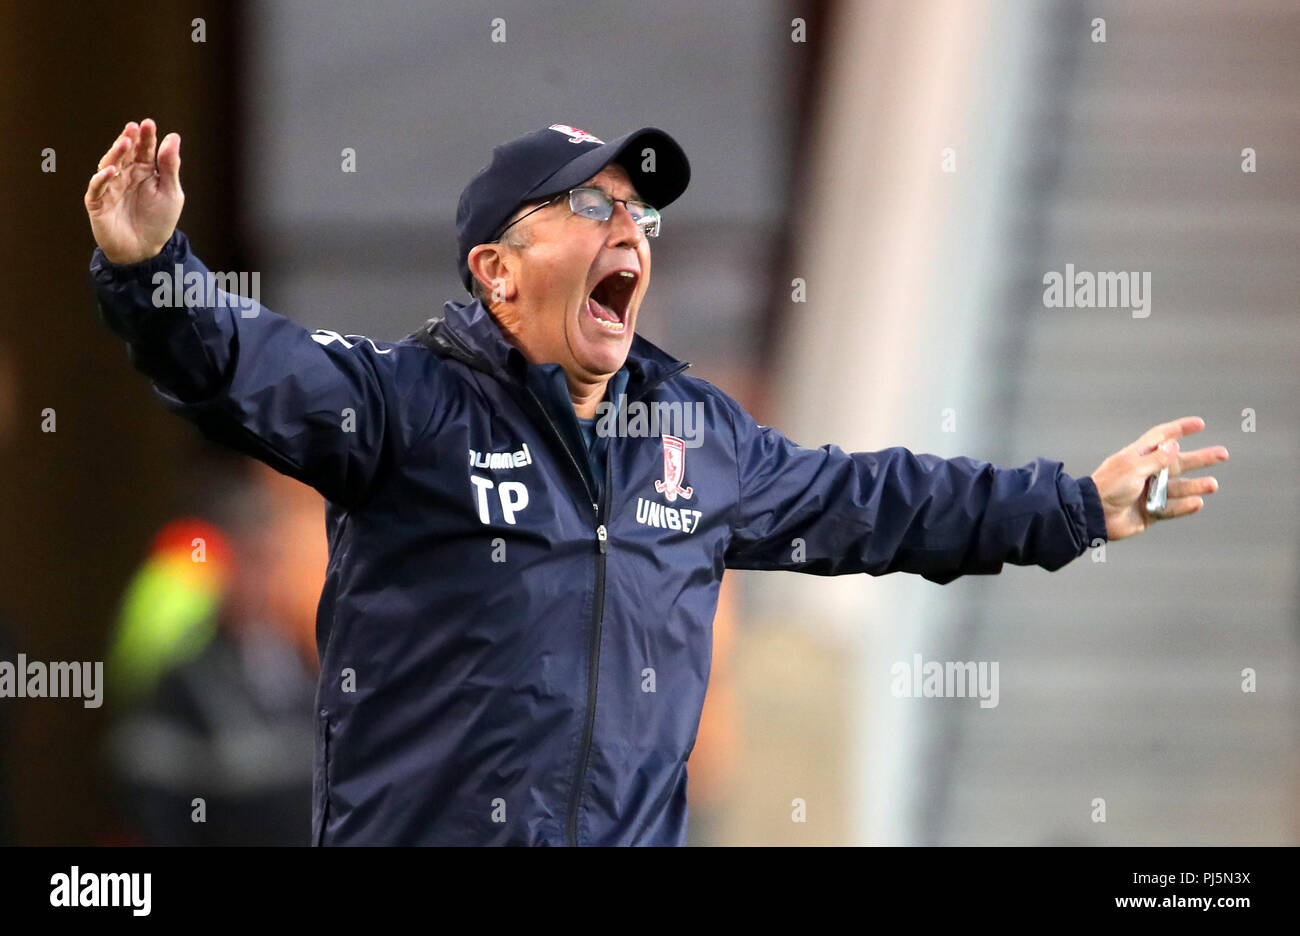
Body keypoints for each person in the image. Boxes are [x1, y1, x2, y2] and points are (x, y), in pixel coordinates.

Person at [84, 118, 1229, 846]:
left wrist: (1076, 506)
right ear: (494, 271)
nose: (626, 226)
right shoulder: (404, 408)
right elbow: (240, 368)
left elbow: (883, 502)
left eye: (637, 211)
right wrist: (152, 270)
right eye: (587, 206)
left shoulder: (697, 437)